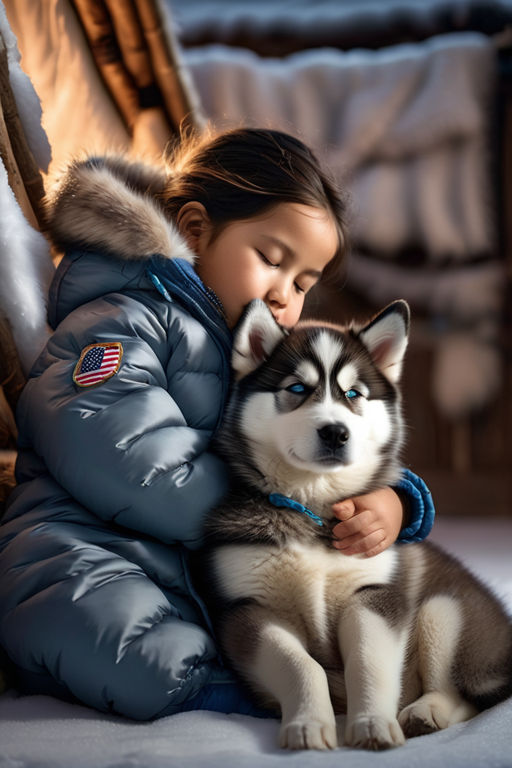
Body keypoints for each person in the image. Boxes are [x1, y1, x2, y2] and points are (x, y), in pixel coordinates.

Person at [0, 128, 434, 720]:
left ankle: (274, 667)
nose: (285, 295)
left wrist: (392, 501)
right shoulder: (126, 318)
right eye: (272, 261)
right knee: (119, 641)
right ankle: (226, 685)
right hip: (85, 550)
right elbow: (120, 446)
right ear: (196, 229)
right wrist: (285, 505)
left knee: (331, 607)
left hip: (204, 569)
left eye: (303, 284)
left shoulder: (260, 353)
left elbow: (328, 434)